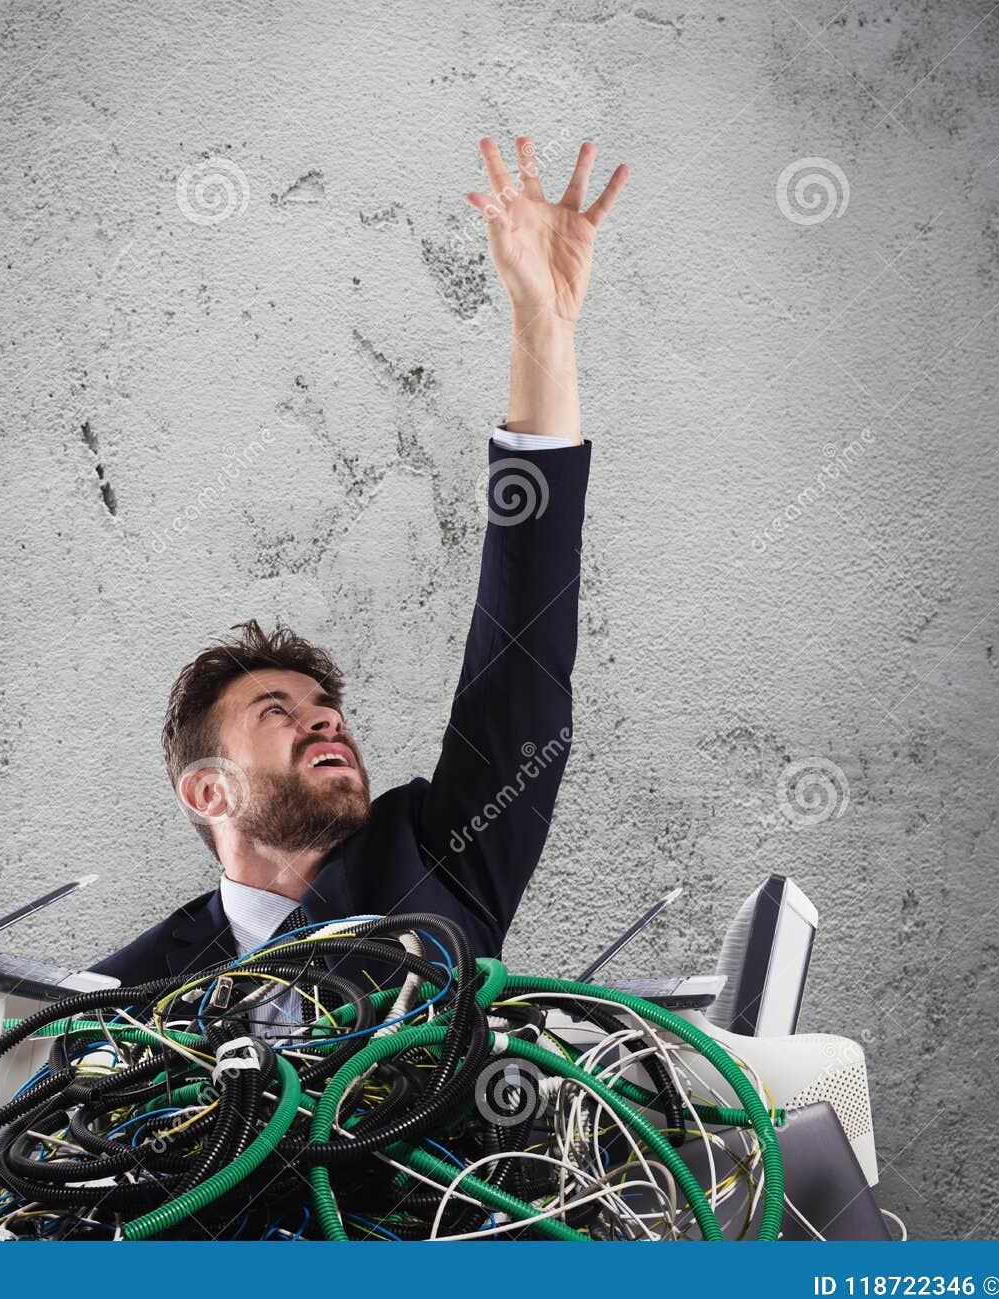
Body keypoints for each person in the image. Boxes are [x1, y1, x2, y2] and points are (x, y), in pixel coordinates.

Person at [92, 137, 629, 1035]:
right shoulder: (119, 1000)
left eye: (325, 704)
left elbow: (521, 658)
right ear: (208, 792)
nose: (325, 717)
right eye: (276, 710)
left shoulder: (434, 859)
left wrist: (544, 324)